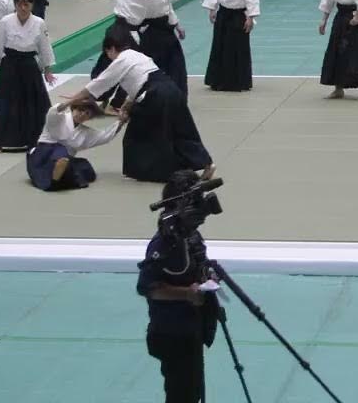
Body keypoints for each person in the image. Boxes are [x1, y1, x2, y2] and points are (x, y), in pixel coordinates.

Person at [73, 27, 214, 183]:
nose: (109, 57)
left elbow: (97, 85)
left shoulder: (120, 60)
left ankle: (152, 170)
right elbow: (139, 84)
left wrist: (70, 101)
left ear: (112, 48)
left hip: (156, 96)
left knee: (138, 133)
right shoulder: (137, 55)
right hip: (172, 90)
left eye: (108, 53)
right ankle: (206, 163)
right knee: (182, 130)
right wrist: (127, 106)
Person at [136, 170, 218, 403]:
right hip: (172, 332)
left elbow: (197, 266)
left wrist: (208, 278)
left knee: (193, 392)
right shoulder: (165, 242)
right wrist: (186, 293)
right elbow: (147, 287)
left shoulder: (191, 235)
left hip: (192, 328)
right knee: (181, 395)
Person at [0, 0, 56, 151]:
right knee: (7, 102)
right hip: (10, 64)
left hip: (29, 65)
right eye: (20, 4)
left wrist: (47, 69)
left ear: (32, 5)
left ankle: (38, 137)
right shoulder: (6, 21)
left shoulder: (39, 22)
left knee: (33, 102)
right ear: (15, 5)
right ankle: (3, 139)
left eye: (27, 4)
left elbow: (44, 46)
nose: (23, 8)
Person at [26, 101, 125, 192]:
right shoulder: (59, 118)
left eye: (87, 114)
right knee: (61, 153)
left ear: (89, 118)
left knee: (86, 168)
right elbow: (53, 111)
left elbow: (105, 136)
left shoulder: (85, 132)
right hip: (44, 154)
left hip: (65, 159)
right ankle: (55, 179)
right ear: (73, 108)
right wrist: (74, 99)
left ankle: (56, 178)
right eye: (80, 110)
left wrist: (122, 121)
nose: (82, 115)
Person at [202, 0, 259, 93]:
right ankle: (217, 80)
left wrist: (250, 17)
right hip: (223, 12)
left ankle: (238, 81)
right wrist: (212, 8)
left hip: (239, 14)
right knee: (219, 46)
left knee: (237, 49)